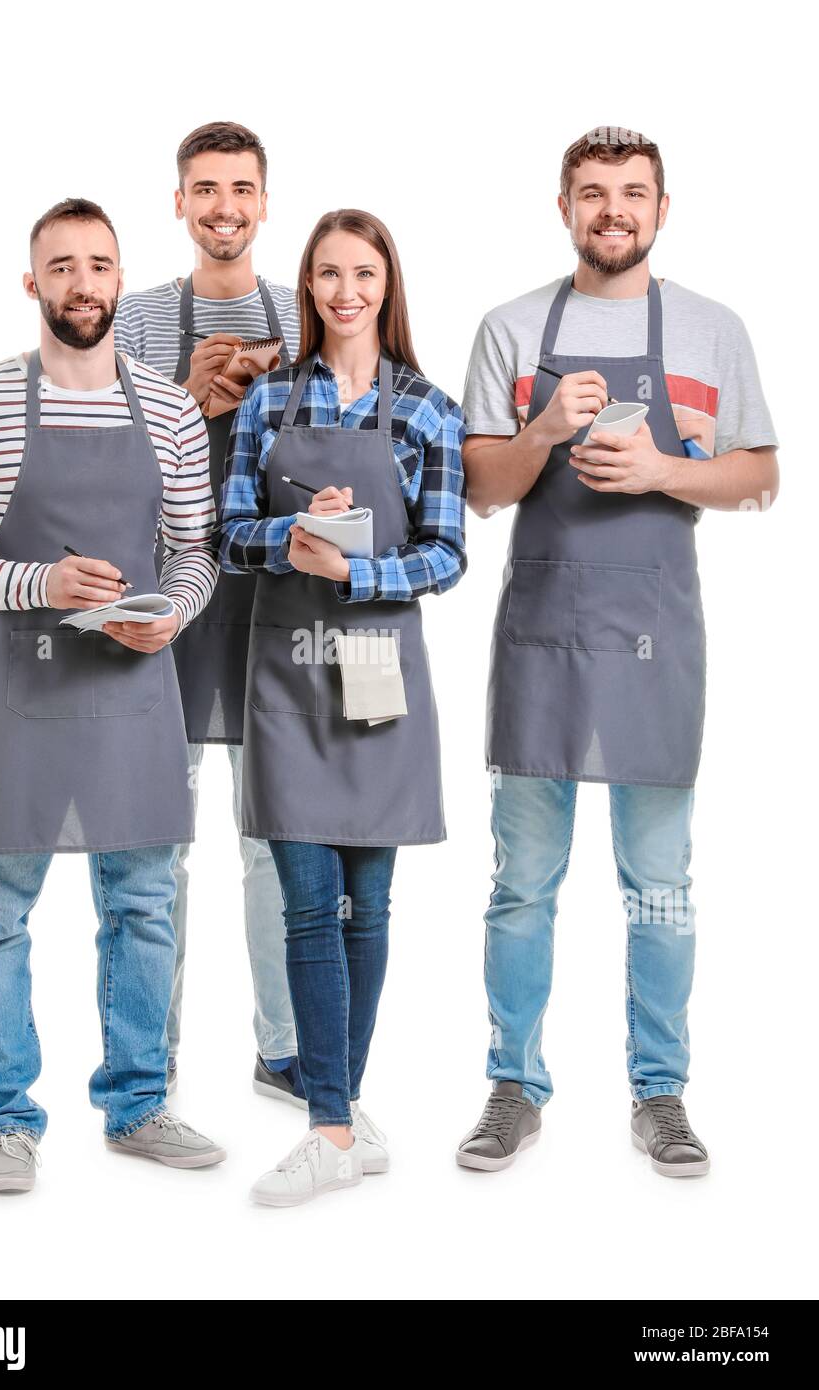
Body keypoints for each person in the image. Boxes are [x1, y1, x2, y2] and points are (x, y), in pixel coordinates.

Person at [457, 129, 779, 1177]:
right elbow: (482, 489)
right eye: (593, 194)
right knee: (522, 885)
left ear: (661, 208)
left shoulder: (712, 331)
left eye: (632, 195)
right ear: (564, 205)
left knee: (661, 884)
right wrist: (545, 428)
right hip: (543, 639)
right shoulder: (509, 329)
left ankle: (661, 1091)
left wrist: (660, 471)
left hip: (655, 644)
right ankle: (513, 1084)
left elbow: (763, 479)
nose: (613, 211)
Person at [0, 198, 227, 1192]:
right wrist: (38, 583)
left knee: (143, 907)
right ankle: (6, 1121)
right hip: (20, 704)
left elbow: (194, 553)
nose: (82, 283)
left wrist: (170, 614)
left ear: (119, 282)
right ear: (32, 282)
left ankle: (138, 1105)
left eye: (98, 266)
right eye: (61, 267)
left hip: (136, 695)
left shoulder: (170, 412)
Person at [221, 209, 467, 1206]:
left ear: (387, 283)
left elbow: (448, 555)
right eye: (327, 272)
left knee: (371, 910)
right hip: (285, 673)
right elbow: (229, 533)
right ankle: (332, 1123)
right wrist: (289, 532)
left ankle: (338, 1114)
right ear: (308, 284)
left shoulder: (426, 410)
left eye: (363, 272)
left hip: (373, 669)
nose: (345, 290)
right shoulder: (267, 402)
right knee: (309, 905)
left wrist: (359, 566)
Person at [115, 122, 304, 1106]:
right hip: (166, 610)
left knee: (275, 837)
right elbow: (95, 476)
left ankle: (283, 1051)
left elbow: (345, 467)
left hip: (277, 610)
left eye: (240, 187)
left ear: (265, 202)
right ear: (179, 203)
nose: (223, 205)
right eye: (205, 189)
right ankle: (151, 1055)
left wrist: (285, 405)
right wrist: (182, 401)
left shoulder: (307, 319)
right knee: (158, 841)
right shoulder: (140, 323)